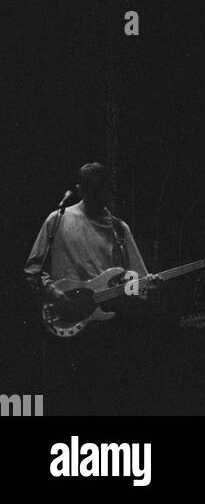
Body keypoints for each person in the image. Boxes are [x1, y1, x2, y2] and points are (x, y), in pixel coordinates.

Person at [25, 163, 155, 415]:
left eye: (104, 192)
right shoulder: (58, 219)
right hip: (65, 322)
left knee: (104, 399)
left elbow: (133, 281)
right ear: (80, 190)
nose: (100, 198)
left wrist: (144, 285)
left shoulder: (119, 228)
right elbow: (33, 269)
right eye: (93, 191)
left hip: (107, 327)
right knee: (65, 400)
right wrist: (54, 293)